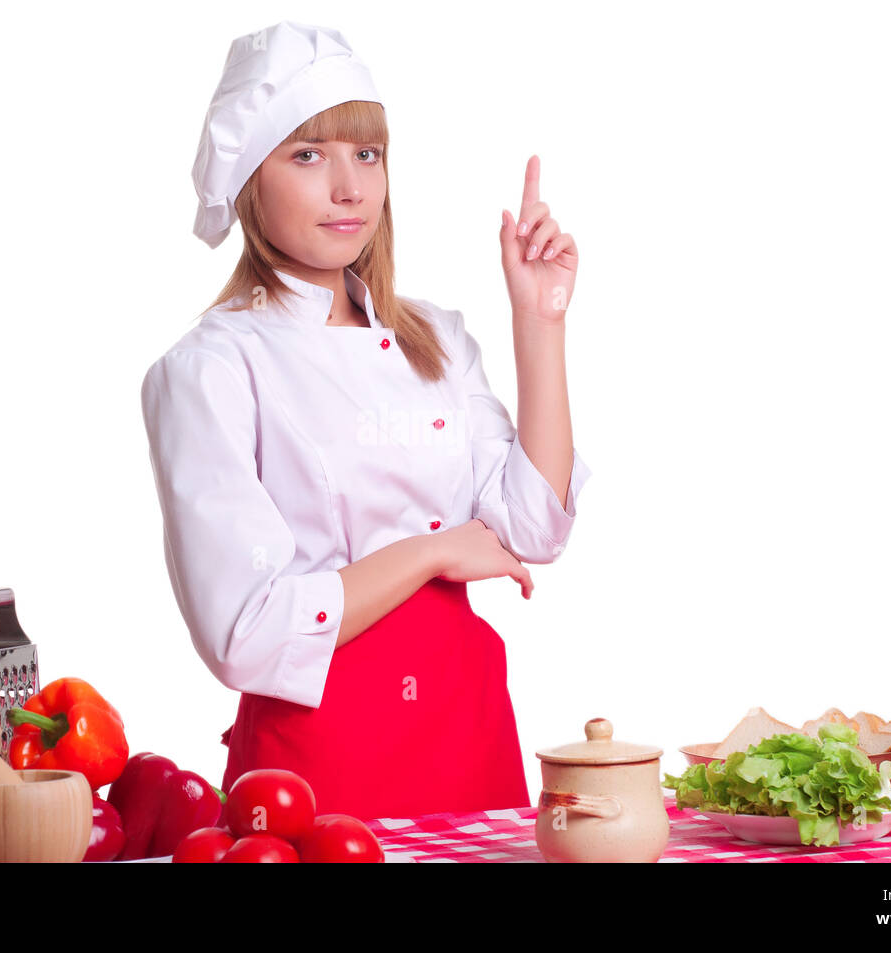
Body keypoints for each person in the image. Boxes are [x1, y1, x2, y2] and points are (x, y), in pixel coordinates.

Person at [140, 20, 591, 821]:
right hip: (320, 767)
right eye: (308, 155)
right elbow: (245, 632)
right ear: (250, 179)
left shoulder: (437, 338)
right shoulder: (210, 369)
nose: (350, 188)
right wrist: (432, 552)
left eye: (367, 154)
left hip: (469, 730)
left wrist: (540, 319)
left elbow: (532, 527)